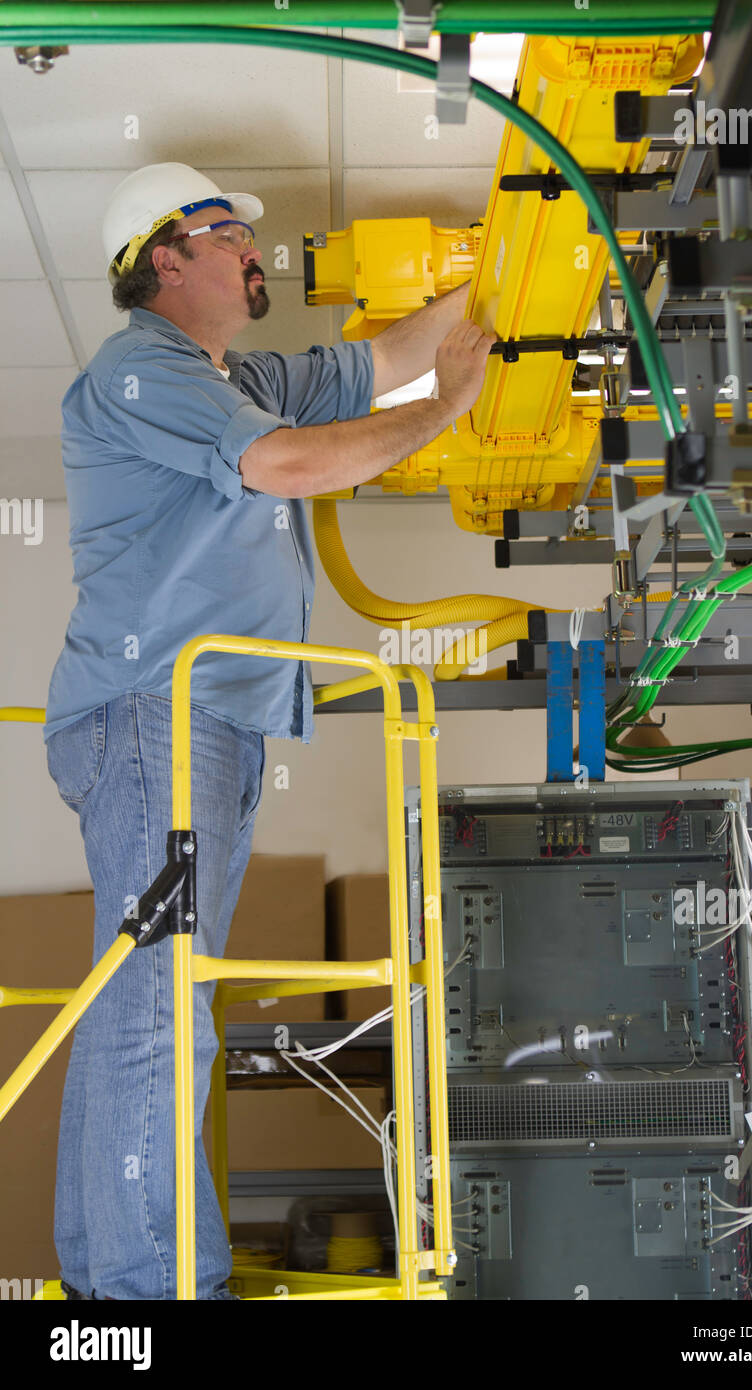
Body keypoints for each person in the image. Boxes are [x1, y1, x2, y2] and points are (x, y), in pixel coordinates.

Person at [43, 162, 494, 1300]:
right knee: (160, 999)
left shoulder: (245, 375)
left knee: (155, 995)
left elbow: (385, 355)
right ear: (166, 258)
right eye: (226, 231)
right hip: (158, 712)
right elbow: (284, 466)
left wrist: (516, 262)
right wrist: (444, 408)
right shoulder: (143, 369)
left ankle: (114, 1279)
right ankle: (151, 1291)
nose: (255, 247)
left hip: (211, 723)